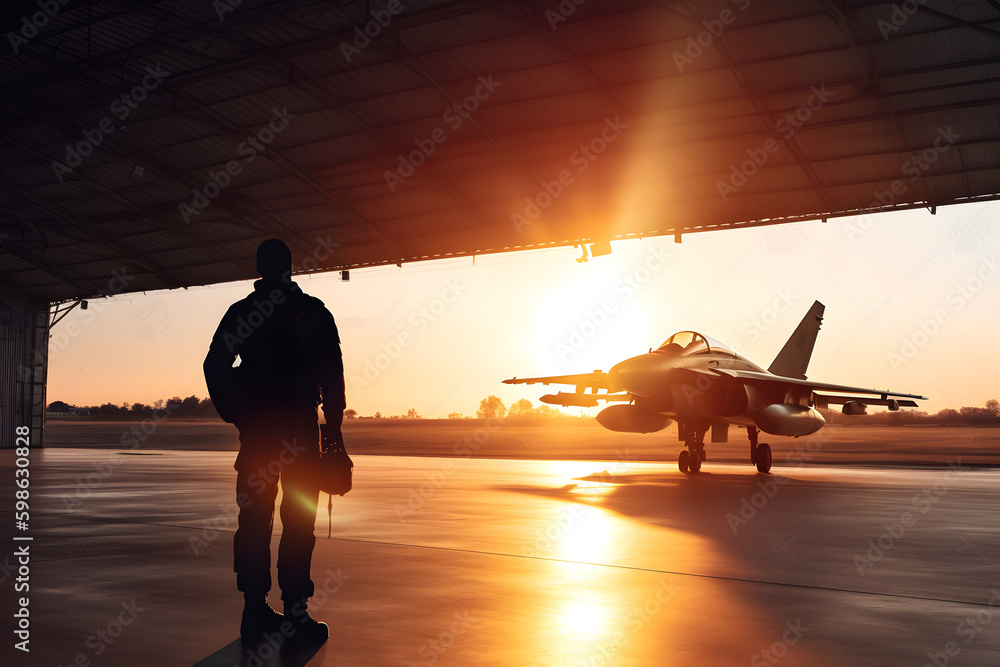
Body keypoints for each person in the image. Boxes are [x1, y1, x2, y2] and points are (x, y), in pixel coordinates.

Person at [203, 239, 346, 647]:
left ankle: (254, 609)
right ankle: (296, 612)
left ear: (260, 268)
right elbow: (332, 377)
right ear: (290, 267)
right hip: (300, 432)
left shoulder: (243, 313)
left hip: (259, 434)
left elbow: (215, 364)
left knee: (253, 521)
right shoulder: (313, 313)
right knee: (299, 521)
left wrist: (238, 412)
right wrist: (333, 433)